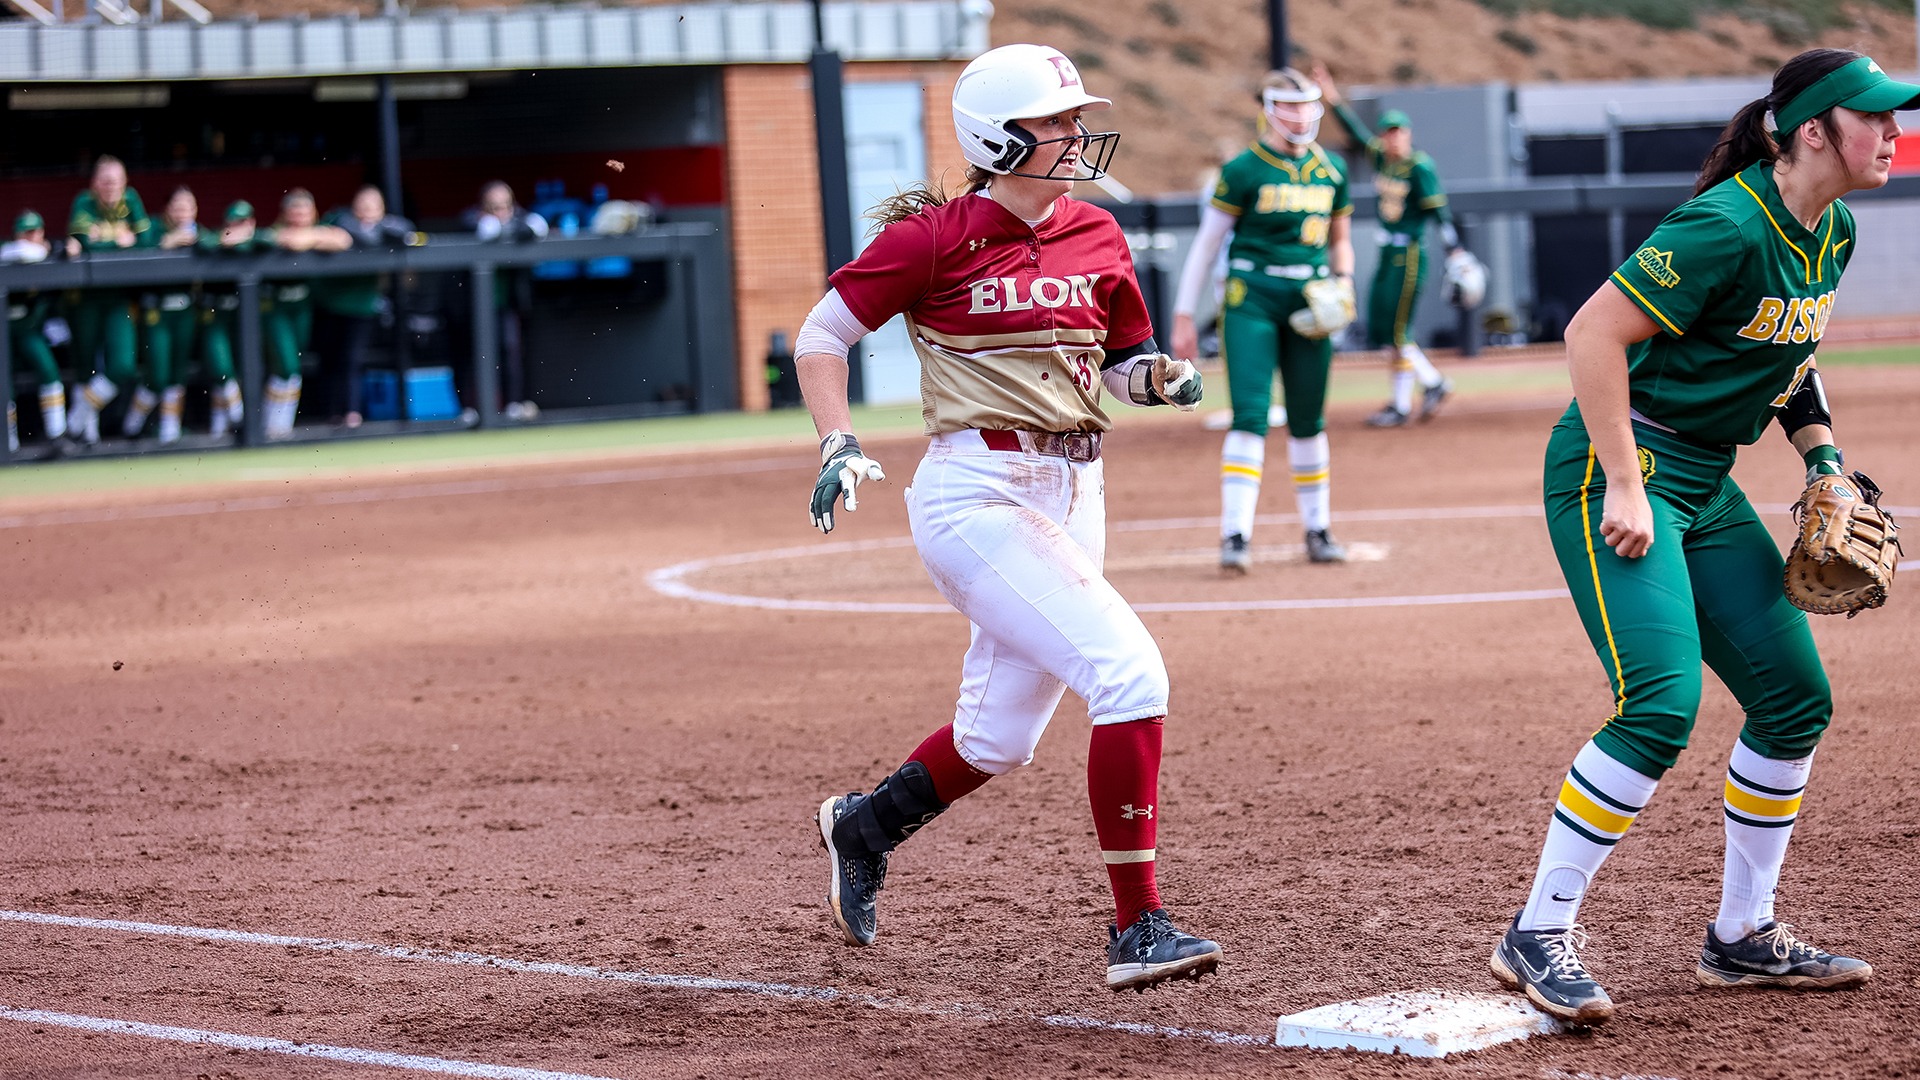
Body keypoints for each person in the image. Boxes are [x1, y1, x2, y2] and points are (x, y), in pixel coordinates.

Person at [1488, 48, 1916, 1027]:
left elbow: (1790, 359)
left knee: (1794, 701)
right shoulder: (1726, 223)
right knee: (1660, 707)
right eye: (1876, 117)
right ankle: (1537, 930)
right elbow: (1591, 336)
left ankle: (1741, 935)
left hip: (1704, 479)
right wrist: (1629, 488)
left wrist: (1823, 460)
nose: (1893, 133)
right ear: (1814, 131)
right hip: (1616, 467)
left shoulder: (1832, 229)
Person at [798, 43, 1219, 992]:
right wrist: (836, 441)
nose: (1076, 135)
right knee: (1129, 673)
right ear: (998, 136)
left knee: (997, 741)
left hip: (1076, 488)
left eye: (1076, 119)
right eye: (1055, 121)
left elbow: (1118, 363)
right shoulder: (934, 238)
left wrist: (1156, 379)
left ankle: (863, 826)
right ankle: (1138, 925)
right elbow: (819, 336)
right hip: (976, 491)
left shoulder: (1099, 234)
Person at [1171, 68, 1357, 572]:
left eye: (1307, 104)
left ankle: (1317, 529)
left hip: (1309, 296)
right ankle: (1236, 534)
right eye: (1289, 105)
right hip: (1252, 295)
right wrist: (1185, 314)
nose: (1300, 115)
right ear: (1269, 108)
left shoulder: (1331, 169)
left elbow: (1340, 237)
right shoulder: (1244, 169)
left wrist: (1344, 281)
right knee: (1250, 414)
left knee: (1308, 418)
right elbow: (1207, 246)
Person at [1315, 65, 1462, 427]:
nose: (1392, 138)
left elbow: (1438, 211)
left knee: (1397, 331)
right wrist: (1332, 98)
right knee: (1385, 331)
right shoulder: (1382, 158)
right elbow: (1356, 133)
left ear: (1408, 134)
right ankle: (1403, 401)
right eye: (1388, 132)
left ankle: (1432, 383)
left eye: (1398, 132)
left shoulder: (1418, 166)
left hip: (1409, 253)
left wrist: (1454, 250)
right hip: (1387, 251)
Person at [64, 155, 150, 444]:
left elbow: (146, 241)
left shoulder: (131, 200)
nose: (111, 187)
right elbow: (84, 242)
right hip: (86, 297)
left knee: (123, 365)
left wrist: (106, 239)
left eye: (116, 181)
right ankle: (85, 438)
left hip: (119, 296)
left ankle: (76, 422)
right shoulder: (83, 201)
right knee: (84, 364)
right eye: (105, 181)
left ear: (125, 183)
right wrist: (119, 240)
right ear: (94, 184)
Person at [123, 186, 217, 443]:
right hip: (157, 312)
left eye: (188, 206)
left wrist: (198, 239)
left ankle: (169, 427)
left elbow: (216, 242)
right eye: (177, 206)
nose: (183, 212)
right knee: (158, 374)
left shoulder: (199, 232)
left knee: (177, 372)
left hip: (185, 310)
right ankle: (132, 424)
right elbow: (141, 247)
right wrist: (169, 242)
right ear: (167, 208)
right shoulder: (154, 227)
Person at [317, 185, 413, 428]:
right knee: (329, 360)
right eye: (362, 204)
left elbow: (406, 231)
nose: (367, 210)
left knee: (352, 359)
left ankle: (352, 411)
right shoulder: (342, 220)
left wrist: (379, 229)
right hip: (331, 304)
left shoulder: (388, 227)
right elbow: (344, 227)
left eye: (373, 206)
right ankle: (331, 411)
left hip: (362, 307)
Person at [259, 189, 352, 439]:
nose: (299, 215)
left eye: (304, 210)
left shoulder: (319, 228)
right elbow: (291, 241)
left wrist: (314, 236)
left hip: (301, 308)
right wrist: (314, 238)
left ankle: (277, 425)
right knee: (287, 366)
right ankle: (274, 428)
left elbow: (343, 240)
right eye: (294, 210)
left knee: (292, 367)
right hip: (275, 308)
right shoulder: (274, 232)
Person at [466, 180, 548, 420]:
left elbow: (536, 227)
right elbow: (483, 228)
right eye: (493, 206)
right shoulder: (472, 219)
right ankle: (475, 409)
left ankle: (513, 405)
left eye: (504, 206)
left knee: (510, 351)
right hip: (474, 304)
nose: (500, 212)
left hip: (506, 303)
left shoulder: (522, 219)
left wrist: (511, 227)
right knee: (477, 355)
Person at [197, 200, 263, 437]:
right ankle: (237, 419)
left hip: (245, 319)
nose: (239, 226)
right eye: (234, 221)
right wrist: (227, 239)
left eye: (244, 221)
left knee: (244, 370)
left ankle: (224, 426)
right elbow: (204, 242)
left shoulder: (260, 239)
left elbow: (271, 239)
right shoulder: (213, 238)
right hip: (216, 315)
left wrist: (246, 238)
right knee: (222, 369)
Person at [3, 211, 68, 449]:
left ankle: (57, 434)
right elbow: (20, 251)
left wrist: (58, 248)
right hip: (4, 332)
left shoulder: (50, 251)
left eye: (35, 231)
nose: (31, 237)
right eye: (26, 232)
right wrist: (45, 249)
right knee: (4, 384)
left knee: (49, 370)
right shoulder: (11, 249)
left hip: (29, 330)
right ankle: (7, 441)